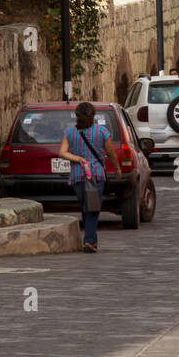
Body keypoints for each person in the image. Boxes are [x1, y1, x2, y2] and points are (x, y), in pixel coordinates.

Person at [58, 102, 120, 253]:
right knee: (92, 208)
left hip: (77, 176)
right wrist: (117, 168)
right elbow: (110, 152)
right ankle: (89, 242)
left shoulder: (69, 132)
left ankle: (91, 240)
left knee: (86, 207)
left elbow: (62, 152)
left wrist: (77, 158)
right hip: (96, 175)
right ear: (93, 116)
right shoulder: (102, 132)